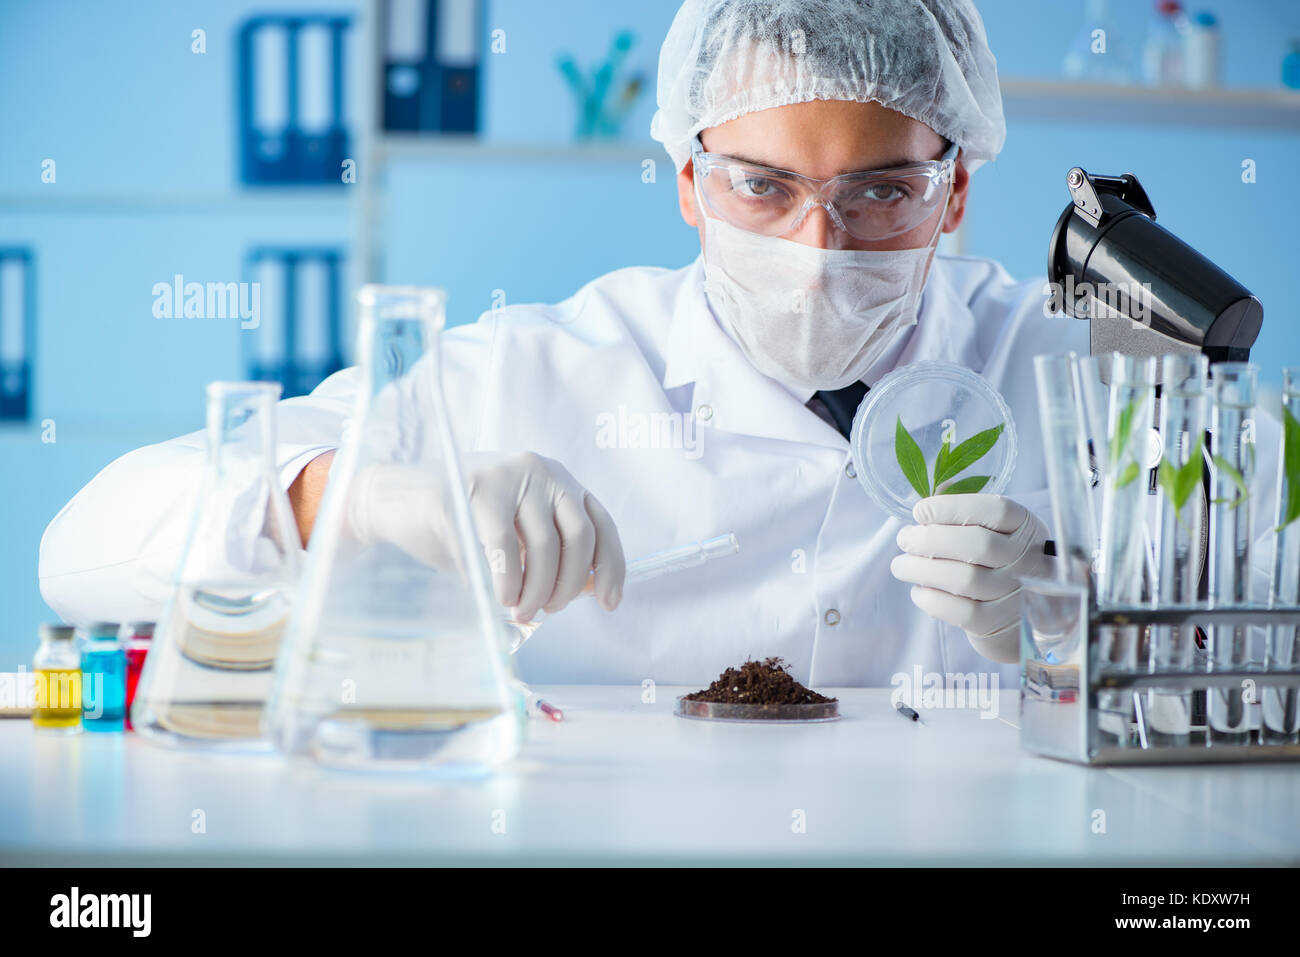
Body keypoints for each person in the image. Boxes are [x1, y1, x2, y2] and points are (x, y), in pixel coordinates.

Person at [41, 0, 1099, 686]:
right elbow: (79, 551)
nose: (818, 246)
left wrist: (1066, 629)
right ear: (689, 184)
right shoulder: (533, 373)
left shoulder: (1078, 374)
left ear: (954, 188)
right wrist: (361, 494)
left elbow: (1252, 653)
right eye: (762, 187)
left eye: (880, 192)